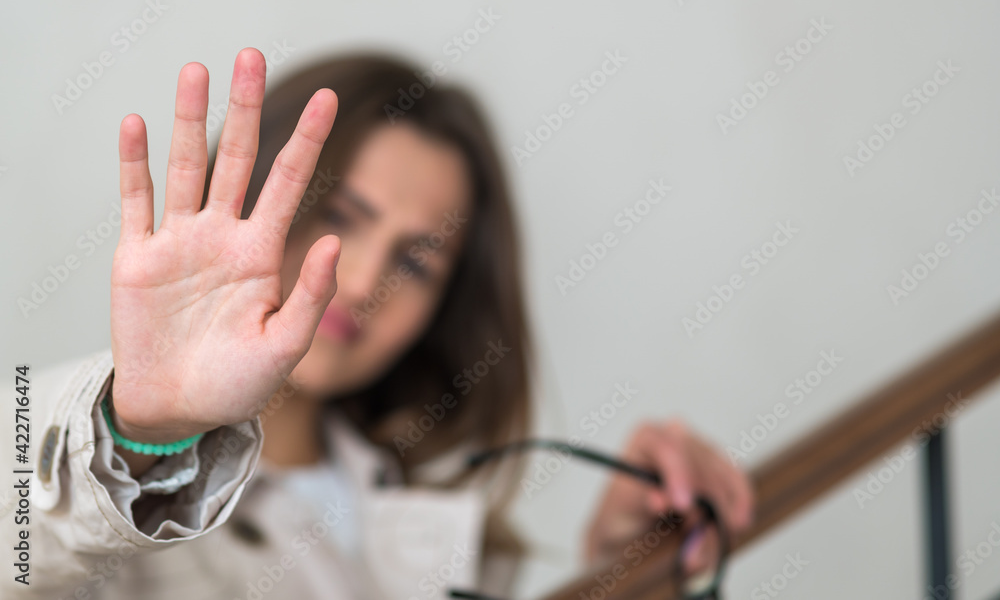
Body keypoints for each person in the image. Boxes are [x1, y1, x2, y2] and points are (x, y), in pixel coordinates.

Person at [5, 48, 753, 599]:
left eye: (417, 261)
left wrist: (628, 570)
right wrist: (145, 427)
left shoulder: (446, 532)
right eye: (338, 215)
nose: (360, 281)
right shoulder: (90, 470)